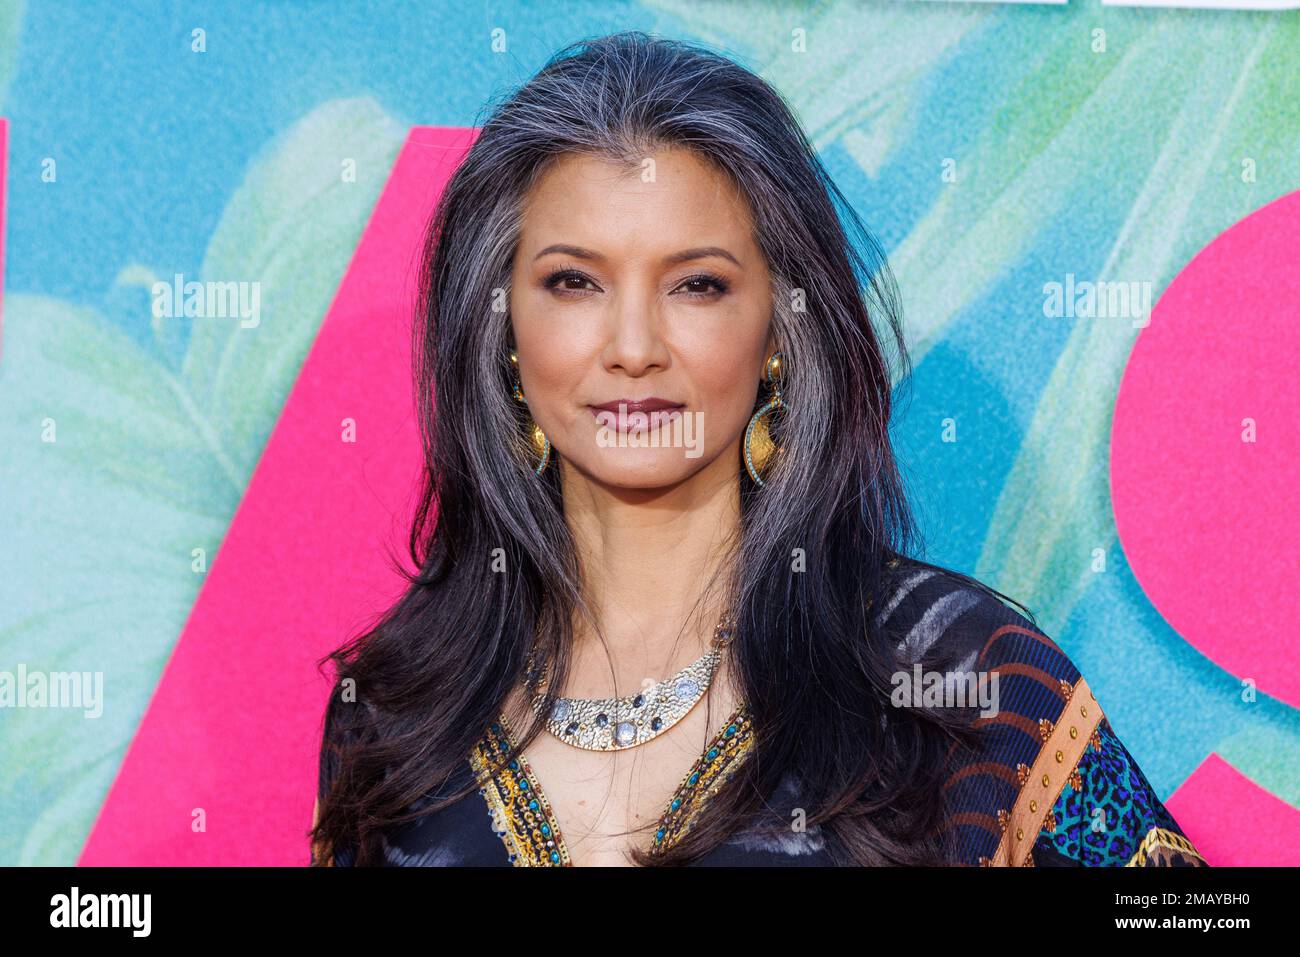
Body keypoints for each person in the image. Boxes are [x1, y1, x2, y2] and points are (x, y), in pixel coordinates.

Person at [308, 31, 1205, 868]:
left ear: (780, 328)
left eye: (697, 284)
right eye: (572, 282)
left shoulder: (952, 677)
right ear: (502, 330)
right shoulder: (399, 714)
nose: (632, 344)